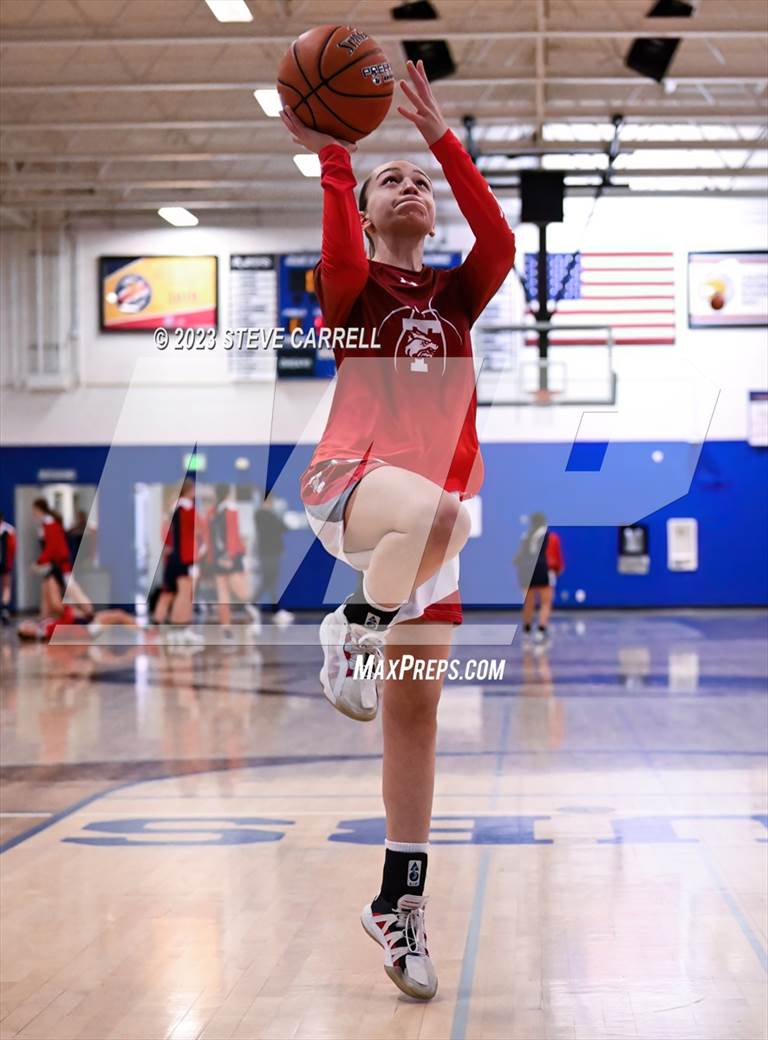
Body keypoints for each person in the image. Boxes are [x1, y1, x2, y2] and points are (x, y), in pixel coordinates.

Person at [281, 59, 515, 1001]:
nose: (410, 186)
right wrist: (340, 157)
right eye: (394, 182)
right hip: (355, 487)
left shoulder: (455, 298)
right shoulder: (354, 294)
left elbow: (497, 239)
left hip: (427, 537)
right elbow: (338, 246)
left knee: (415, 717)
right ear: (371, 216)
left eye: (418, 182)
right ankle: (350, 633)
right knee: (441, 507)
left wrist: (437, 141)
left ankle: (401, 905)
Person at [152, 478, 203, 643]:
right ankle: (179, 629)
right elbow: (197, 533)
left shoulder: (172, 508)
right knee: (185, 593)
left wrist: (169, 549)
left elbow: (165, 534)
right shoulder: (187, 508)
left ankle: (156, 630)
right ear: (189, 490)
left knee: (169, 593)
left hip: (173, 558)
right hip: (184, 558)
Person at [208, 483, 261, 636]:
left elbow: (212, 538)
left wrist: (215, 557)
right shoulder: (230, 510)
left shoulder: (213, 512)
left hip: (218, 558)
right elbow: (232, 535)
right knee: (243, 593)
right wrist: (231, 555)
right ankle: (254, 617)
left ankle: (226, 628)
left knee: (223, 593)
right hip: (230, 557)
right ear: (228, 493)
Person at [513, 512, 565, 643]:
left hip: (526, 570)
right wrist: (558, 569)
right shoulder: (551, 537)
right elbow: (555, 556)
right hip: (543, 569)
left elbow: (519, 556)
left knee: (528, 601)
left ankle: (527, 628)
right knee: (546, 602)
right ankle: (541, 628)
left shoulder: (526, 536)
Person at [254, 493, 293, 625]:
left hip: (273, 553)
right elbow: (279, 528)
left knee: (271, 582)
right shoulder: (261, 515)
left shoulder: (268, 515)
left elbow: (284, 528)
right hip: (267, 553)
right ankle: (253, 603)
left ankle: (274, 610)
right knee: (268, 581)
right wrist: (277, 514)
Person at [0, 513, 17, 625]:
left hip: (5, 561)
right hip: (5, 563)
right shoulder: (10, 529)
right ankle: (5, 610)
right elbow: (13, 547)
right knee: (6, 586)